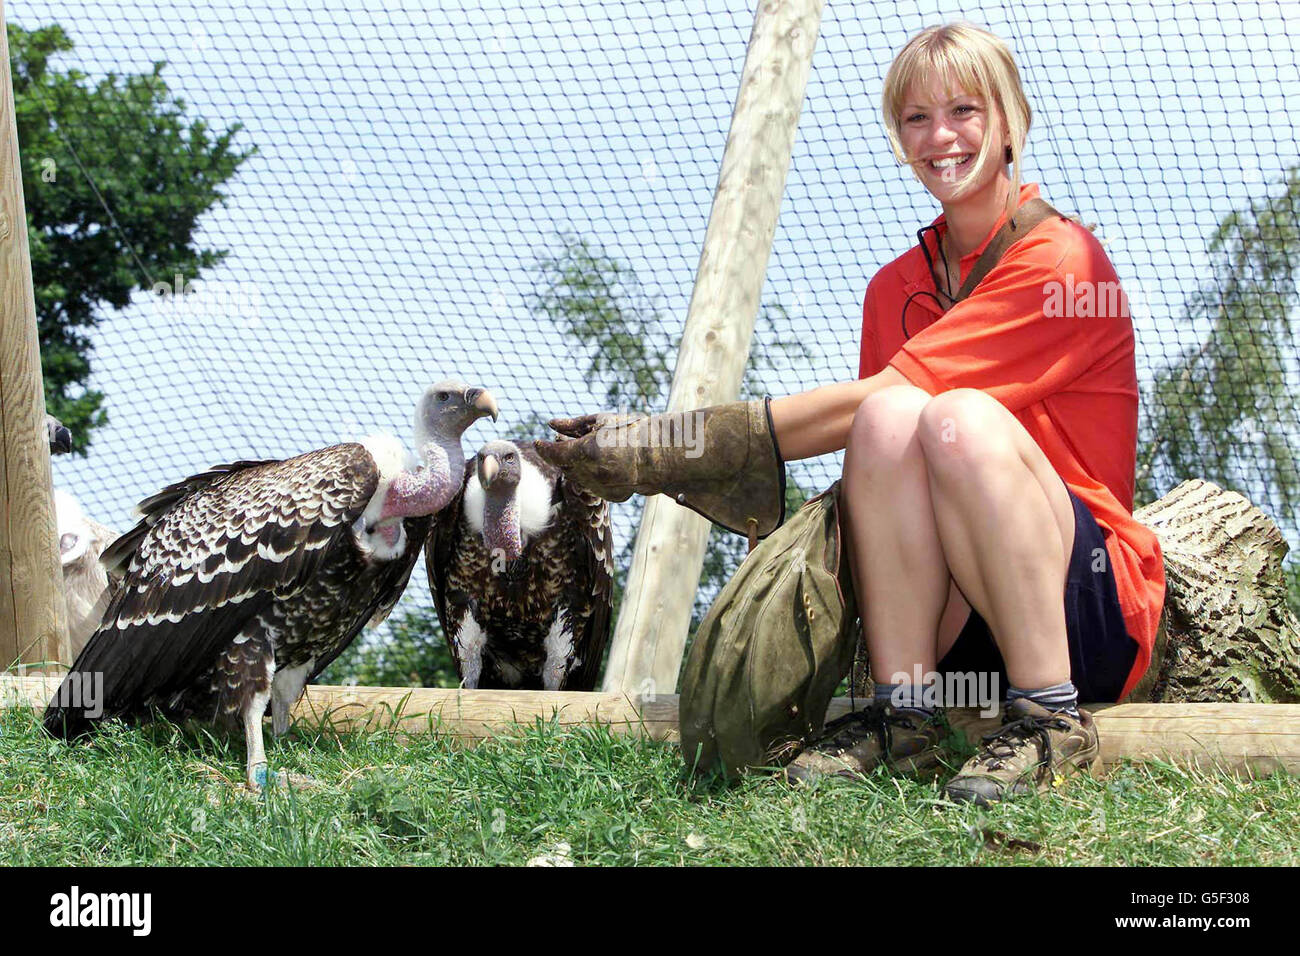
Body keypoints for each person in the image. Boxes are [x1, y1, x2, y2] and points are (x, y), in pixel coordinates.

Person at [537, 22, 1165, 805]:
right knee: (889, 423)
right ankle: (903, 711)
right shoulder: (892, 288)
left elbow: (893, 407)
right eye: (915, 118)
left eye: (966, 109)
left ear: (1013, 122)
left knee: (952, 419)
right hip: (961, 633)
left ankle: (1049, 718)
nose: (941, 135)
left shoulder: (1065, 263)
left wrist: (671, 443)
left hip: (1089, 615)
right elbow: (882, 443)